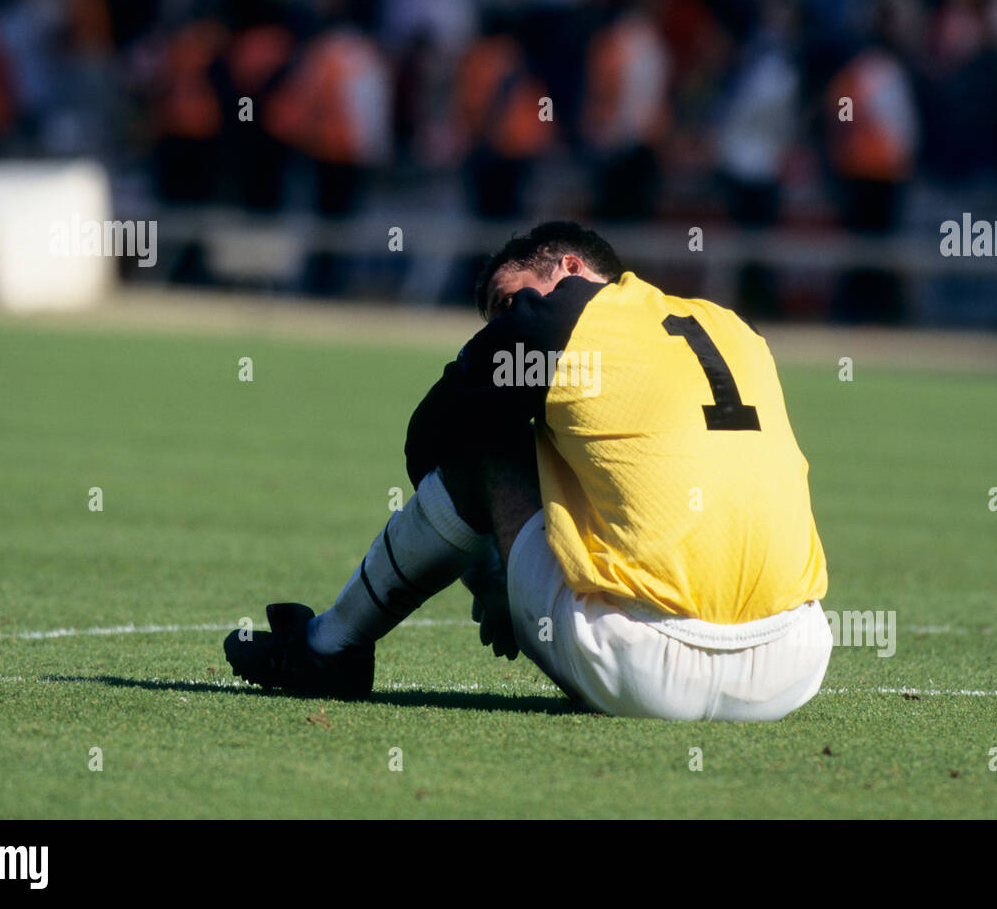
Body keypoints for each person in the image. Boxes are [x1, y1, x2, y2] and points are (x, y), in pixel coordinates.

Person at [225, 221, 832, 721]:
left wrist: (494, 575)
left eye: (507, 301)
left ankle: (332, 646)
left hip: (645, 669)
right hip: (796, 660)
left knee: (490, 438)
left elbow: (429, 444)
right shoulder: (734, 327)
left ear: (569, 269)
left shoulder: (555, 320)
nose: (502, 325)